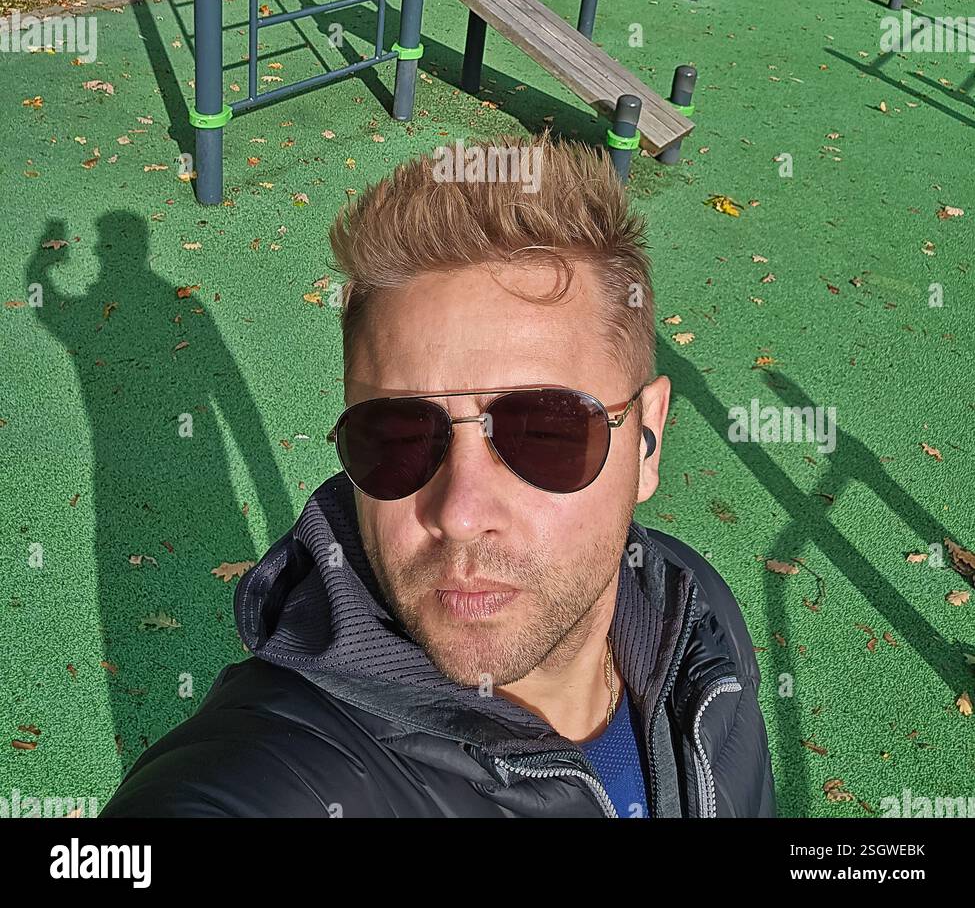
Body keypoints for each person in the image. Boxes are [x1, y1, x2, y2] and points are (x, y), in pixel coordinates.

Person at [101, 134, 776, 819]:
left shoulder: (694, 612)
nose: (458, 511)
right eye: (395, 436)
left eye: (543, 432)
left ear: (647, 438)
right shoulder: (276, 772)